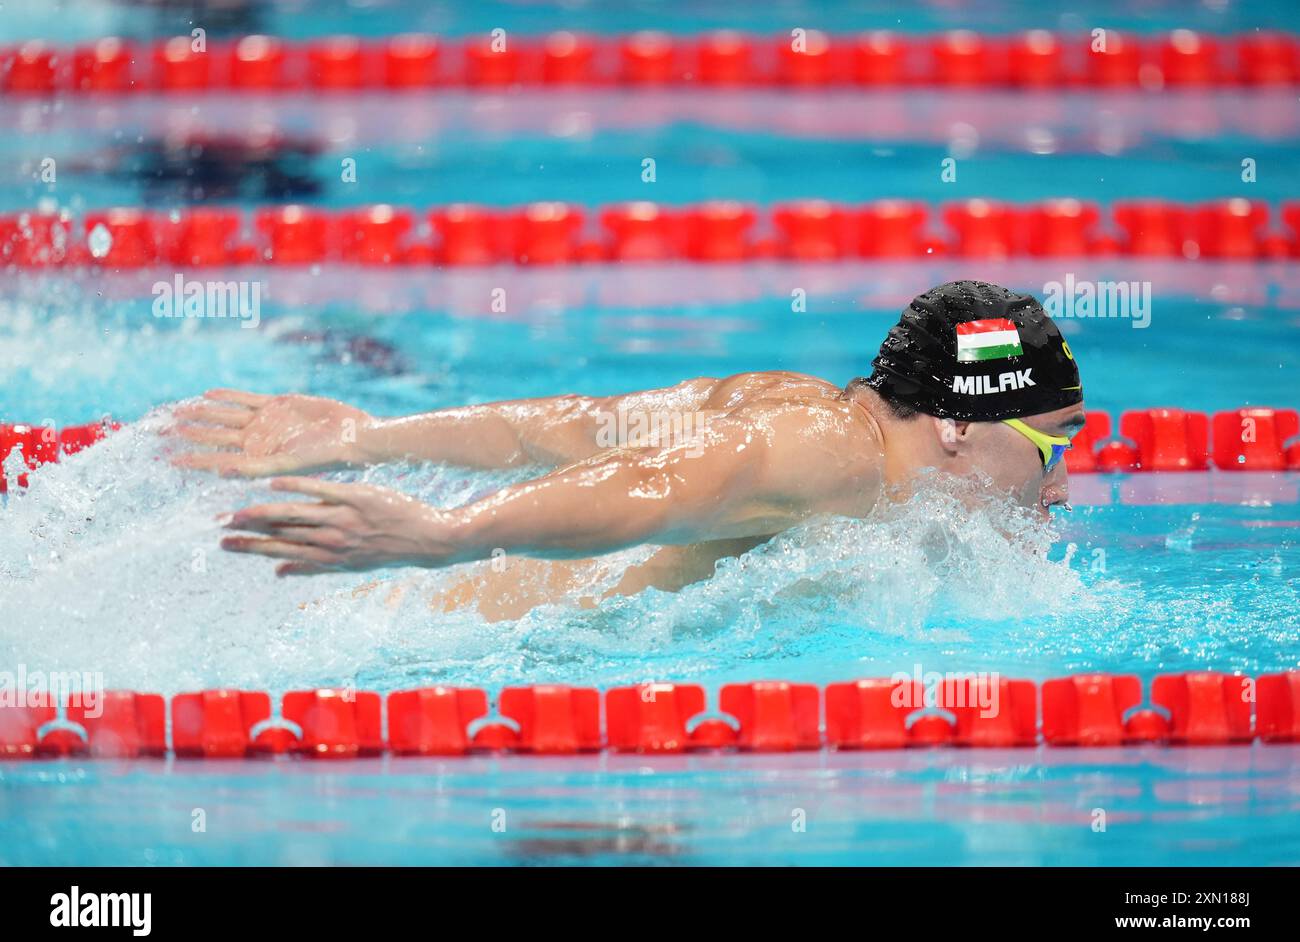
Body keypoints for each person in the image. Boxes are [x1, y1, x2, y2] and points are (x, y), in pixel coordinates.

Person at [173, 280, 1086, 612]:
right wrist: (443, 535)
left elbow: (578, 423)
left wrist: (366, 436)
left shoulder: (799, 401)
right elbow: (652, 478)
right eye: (1053, 444)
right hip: (420, 627)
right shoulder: (830, 455)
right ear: (959, 427)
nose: (1066, 484)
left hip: (371, 602)